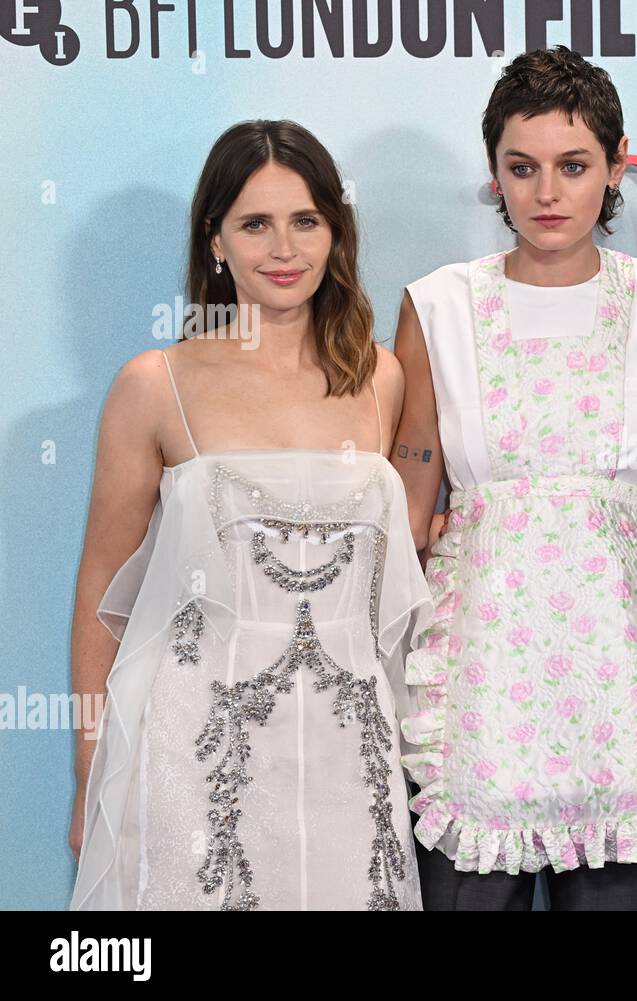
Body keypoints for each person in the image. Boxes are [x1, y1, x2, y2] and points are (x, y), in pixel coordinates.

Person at [69, 120, 431, 910]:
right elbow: (101, 592)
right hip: (197, 745)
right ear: (215, 239)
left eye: (306, 220)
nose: (284, 248)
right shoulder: (154, 384)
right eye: (255, 224)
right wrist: (92, 765)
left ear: (336, 233)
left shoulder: (381, 378)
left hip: (349, 755)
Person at [390, 46, 637, 911]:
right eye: (522, 168)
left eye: (573, 165)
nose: (547, 193)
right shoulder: (437, 306)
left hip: (619, 678)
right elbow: (410, 507)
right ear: (494, 172)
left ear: (616, 165)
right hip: (479, 681)